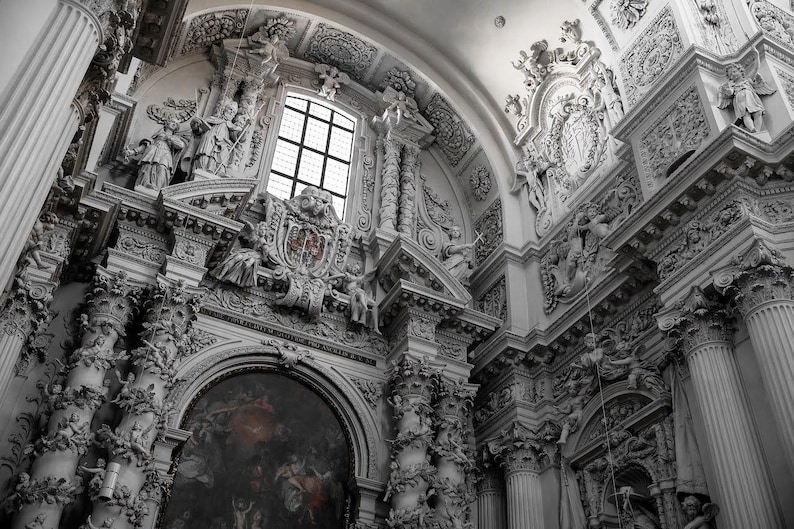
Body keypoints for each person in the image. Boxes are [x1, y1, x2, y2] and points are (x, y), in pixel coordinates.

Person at [717, 50, 776, 133]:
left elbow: (756, 68)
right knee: (745, 115)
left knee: (758, 112)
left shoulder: (748, 80)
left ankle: (757, 131)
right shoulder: (733, 86)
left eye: (734, 72)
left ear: (740, 71)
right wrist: (726, 90)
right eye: (730, 74)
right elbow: (730, 92)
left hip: (751, 97)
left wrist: (757, 55)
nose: (733, 74)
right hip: (739, 99)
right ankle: (752, 129)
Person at [126, 119, 186, 190]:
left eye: (176, 124)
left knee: (162, 169)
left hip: (165, 154)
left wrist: (168, 137)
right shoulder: (157, 134)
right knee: (147, 167)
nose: (174, 124)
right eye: (172, 122)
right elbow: (147, 144)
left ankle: (157, 189)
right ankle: (144, 186)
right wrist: (133, 152)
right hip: (153, 151)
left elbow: (180, 145)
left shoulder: (175, 138)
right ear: (167, 123)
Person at [190, 100, 245, 176]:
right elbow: (198, 132)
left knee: (222, 154)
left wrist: (245, 128)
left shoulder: (231, 126)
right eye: (230, 109)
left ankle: (219, 172)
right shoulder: (212, 119)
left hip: (223, 143)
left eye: (233, 112)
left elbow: (239, 137)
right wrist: (195, 124)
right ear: (224, 109)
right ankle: (202, 169)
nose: (231, 112)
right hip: (209, 140)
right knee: (206, 154)